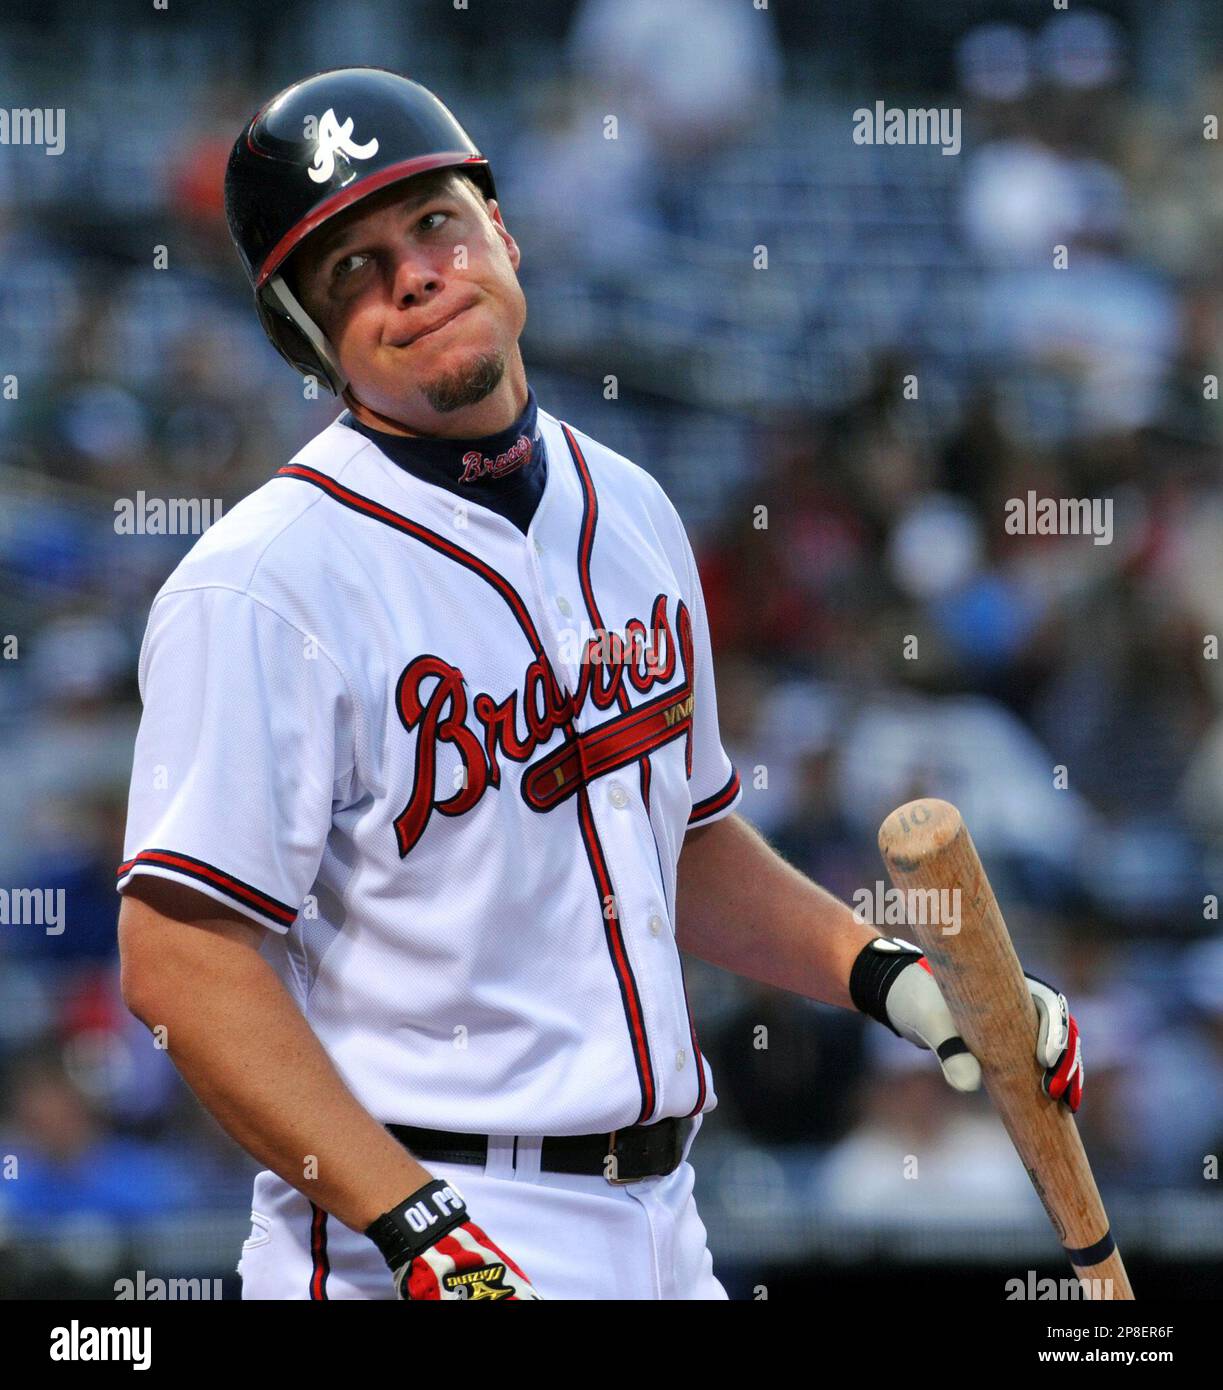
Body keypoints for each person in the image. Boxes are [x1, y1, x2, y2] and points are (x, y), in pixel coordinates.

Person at [116, 68, 1084, 1301]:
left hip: (664, 1216)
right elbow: (181, 958)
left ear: (501, 233)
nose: (414, 274)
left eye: (434, 224)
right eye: (350, 268)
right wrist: (416, 1227)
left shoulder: (626, 506)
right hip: (409, 1219)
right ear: (306, 337)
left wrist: (894, 980)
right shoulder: (262, 581)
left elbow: (677, 832)